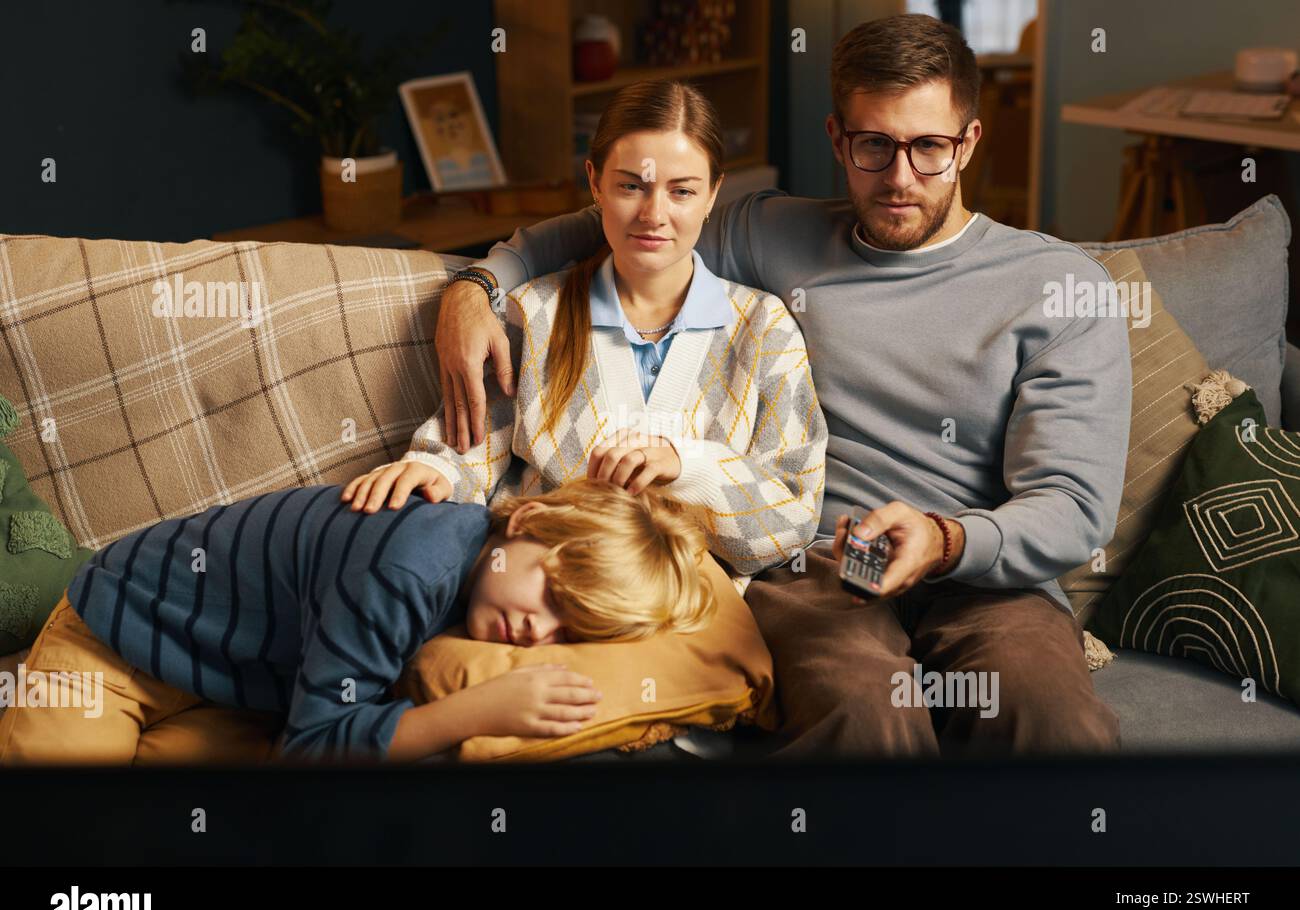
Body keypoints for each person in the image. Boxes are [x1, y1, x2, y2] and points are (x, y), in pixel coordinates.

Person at [426, 15, 1131, 757]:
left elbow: (1073, 507)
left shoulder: (1058, 287)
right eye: (874, 146)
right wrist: (477, 285)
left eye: (929, 148)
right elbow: (631, 218)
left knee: (1056, 730)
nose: (898, 178)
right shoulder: (770, 233)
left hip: (988, 574)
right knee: (866, 723)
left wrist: (948, 539)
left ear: (971, 141)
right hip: (814, 565)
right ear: (837, 140)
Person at [341, 78, 828, 580]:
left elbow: (790, 526)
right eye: (631, 186)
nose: (654, 215)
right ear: (595, 183)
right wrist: (433, 472)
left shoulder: (766, 330)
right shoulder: (531, 314)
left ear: (713, 194)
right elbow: (467, 451)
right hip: (541, 598)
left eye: (681, 191)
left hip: (687, 617)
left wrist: (689, 467)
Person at [0, 478, 716, 765]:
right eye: (553, 598)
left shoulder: (483, 569)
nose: (539, 632)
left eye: (568, 632)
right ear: (524, 520)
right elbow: (312, 748)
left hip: (236, 687)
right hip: (119, 633)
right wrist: (473, 711)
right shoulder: (409, 568)